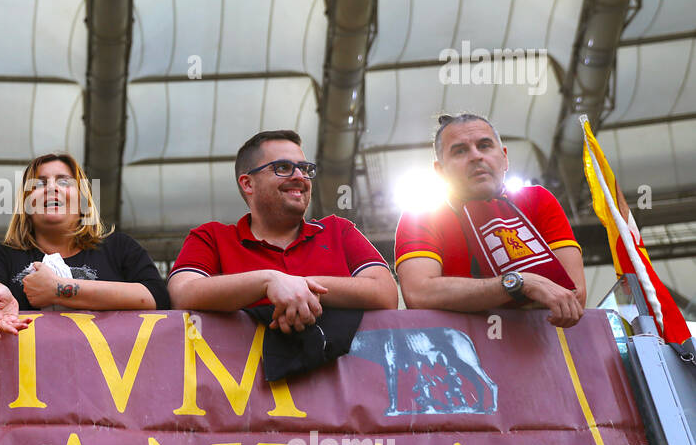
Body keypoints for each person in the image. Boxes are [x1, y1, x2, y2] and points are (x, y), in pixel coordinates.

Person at [168, 130, 398, 332]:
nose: (300, 176)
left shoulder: (339, 230)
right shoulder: (211, 237)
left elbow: (386, 293)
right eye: (283, 168)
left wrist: (299, 286)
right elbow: (181, 294)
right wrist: (268, 282)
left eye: (305, 168)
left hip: (346, 380)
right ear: (248, 184)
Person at [395, 113, 586, 328]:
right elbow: (419, 295)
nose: (476, 156)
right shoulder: (420, 214)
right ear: (440, 171)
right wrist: (518, 283)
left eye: (484, 146)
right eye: (460, 151)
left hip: (547, 351)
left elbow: (572, 296)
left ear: (504, 157)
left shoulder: (538, 200)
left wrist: (477, 297)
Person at [0, 153, 170, 338]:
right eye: (39, 184)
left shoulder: (119, 247)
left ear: (83, 201)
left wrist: (57, 289)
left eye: (64, 181)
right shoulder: (3, 254)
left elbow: (156, 296)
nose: (51, 188)